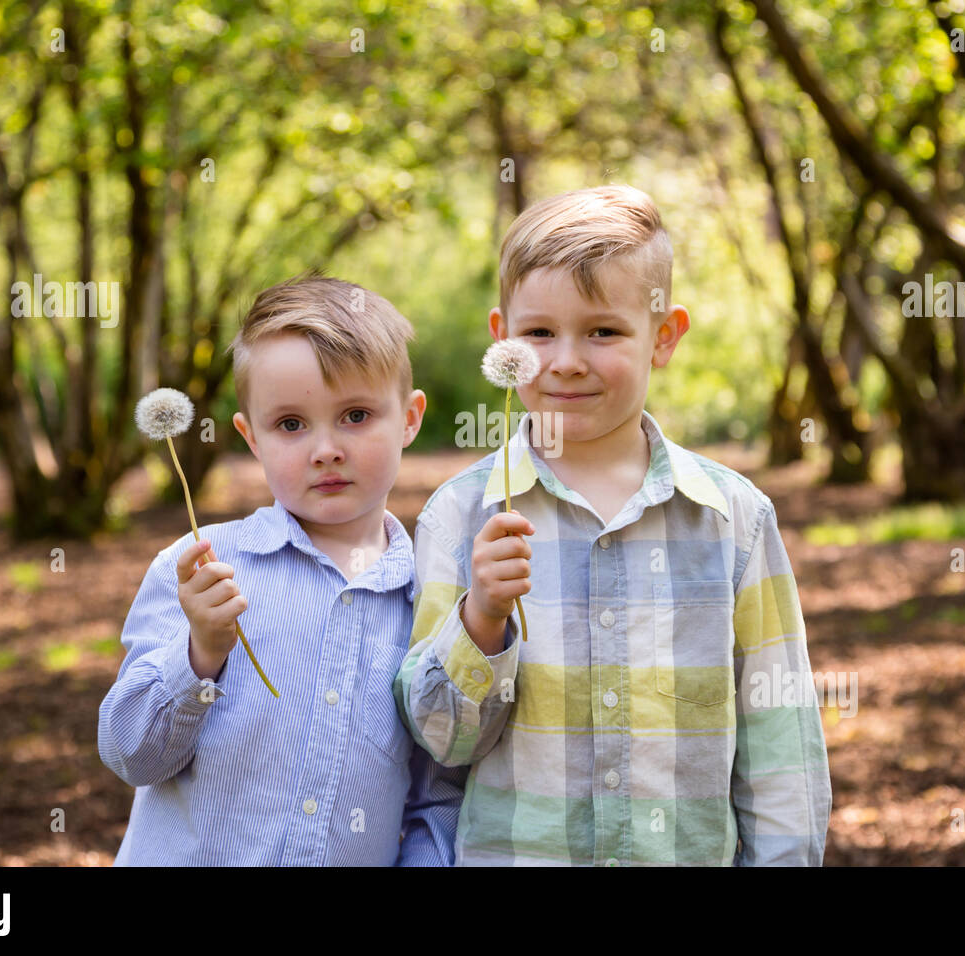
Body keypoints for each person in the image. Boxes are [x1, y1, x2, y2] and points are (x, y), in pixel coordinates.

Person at [394, 185, 831, 865]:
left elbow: (781, 745)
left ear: (663, 337)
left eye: (603, 331)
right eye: (539, 333)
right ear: (502, 340)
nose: (567, 360)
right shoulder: (460, 515)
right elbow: (441, 741)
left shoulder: (733, 519)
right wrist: (481, 619)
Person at [99, 274, 463, 865]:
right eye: (291, 425)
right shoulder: (197, 570)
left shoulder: (434, 598)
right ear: (252, 438)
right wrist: (198, 654)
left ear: (410, 418)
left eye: (356, 415)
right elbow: (129, 754)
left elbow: (437, 796)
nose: (326, 449)